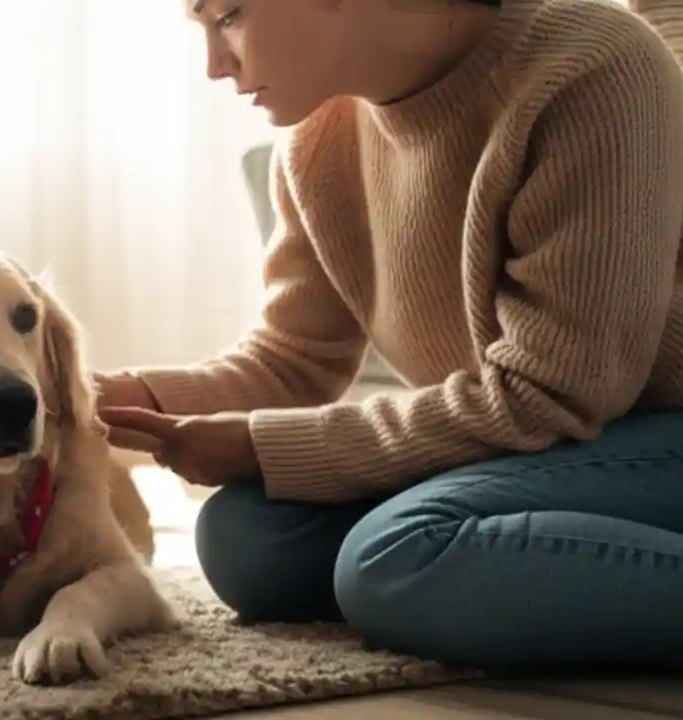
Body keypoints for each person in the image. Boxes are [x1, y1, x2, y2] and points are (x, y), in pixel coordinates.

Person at [95, 0, 683, 672]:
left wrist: (262, 445)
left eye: (228, 16)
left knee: (392, 558)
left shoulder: (594, 67)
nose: (212, 66)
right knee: (248, 540)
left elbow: (555, 394)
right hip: (545, 446)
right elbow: (292, 360)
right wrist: (119, 398)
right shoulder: (318, 142)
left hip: (650, 427)